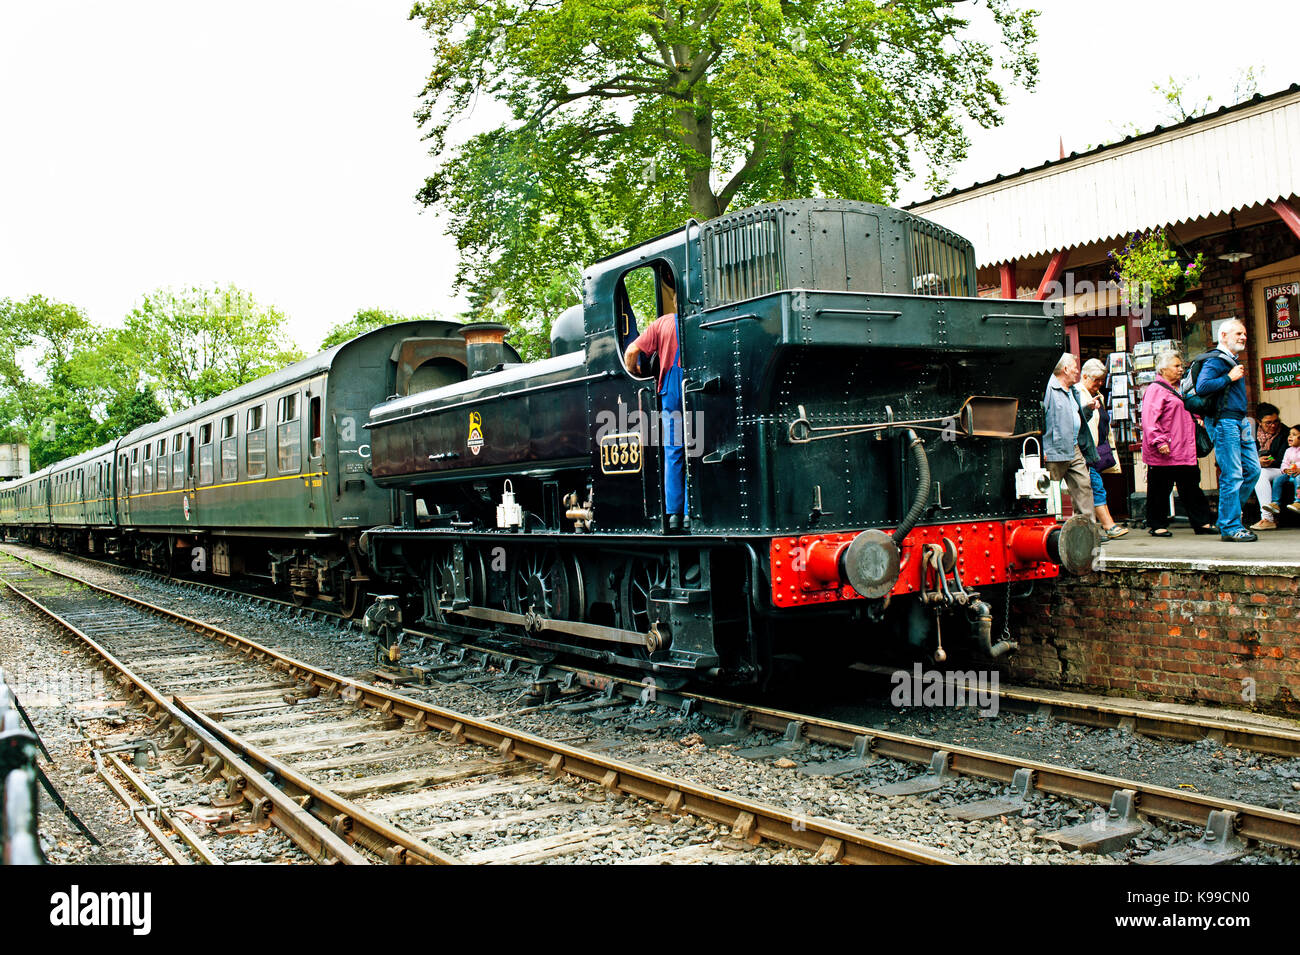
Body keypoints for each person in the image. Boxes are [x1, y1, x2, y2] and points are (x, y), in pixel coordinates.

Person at [623, 285, 687, 531]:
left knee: (674, 450)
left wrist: (634, 371)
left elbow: (631, 351)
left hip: (671, 387)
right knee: (697, 449)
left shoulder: (662, 324)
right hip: (693, 385)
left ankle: (674, 514)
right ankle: (693, 514)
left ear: (674, 298)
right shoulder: (699, 321)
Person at [1196, 318, 1261, 542]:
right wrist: (1229, 377)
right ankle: (1230, 526)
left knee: (1252, 470)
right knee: (1232, 474)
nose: (1243, 337)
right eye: (1238, 334)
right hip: (1225, 423)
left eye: (1244, 333)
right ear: (1223, 336)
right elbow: (1202, 386)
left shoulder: (1231, 359)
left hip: (1240, 421)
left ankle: (1231, 516)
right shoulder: (1217, 361)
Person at [1141, 351, 1216, 537]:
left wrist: (1197, 417)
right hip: (1165, 449)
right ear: (1163, 368)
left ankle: (1202, 524)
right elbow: (1150, 419)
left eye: (1181, 366)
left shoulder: (1179, 389)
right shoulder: (1156, 389)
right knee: (1159, 489)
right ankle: (1157, 525)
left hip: (1184, 449)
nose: (1181, 369)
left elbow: (1183, 410)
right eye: (1176, 366)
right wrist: (1159, 441)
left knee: (1191, 488)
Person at [1078, 359, 1129, 539]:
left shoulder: (1097, 395)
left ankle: (1088, 530)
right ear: (1084, 376)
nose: (1099, 384)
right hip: (1085, 453)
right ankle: (1108, 526)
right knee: (1096, 487)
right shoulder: (1079, 394)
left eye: (1102, 380)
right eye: (1096, 380)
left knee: (1088, 490)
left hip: (1097, 451)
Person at [1043, 353, 1095, 521]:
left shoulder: (1072, 391)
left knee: (1083, 487)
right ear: (1065, 369)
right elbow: (1039, 421)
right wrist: (1043, 448)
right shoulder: (1048, 389)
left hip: (1073, 446)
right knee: (1047, 492)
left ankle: (1087, 531)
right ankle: (1048, 529)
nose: (1078, 371)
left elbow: (1074, 418)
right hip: (1054, 449)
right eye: (1075, 367)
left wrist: (1087, 410)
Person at [1250, 402, 1289, 531]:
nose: (1273, 425)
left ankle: (1268, 518)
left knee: (1260, 473)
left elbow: (1282, 457)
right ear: (1259, 422)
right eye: (1268, 422)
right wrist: (1257, 461)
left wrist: (1269, 459)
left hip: (1281, 468)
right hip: (1258, 466)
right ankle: (1236, 517)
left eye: (1276, 421)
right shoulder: (1252, 434)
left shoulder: (1285, 433)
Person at [1262, 425, 1300, 518]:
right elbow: (1284, 463)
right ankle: (1275, 503)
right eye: (1289, 434)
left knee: (1299, 479)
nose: (1290, 437)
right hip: (1289, 474)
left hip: (1298, 475)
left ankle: (1298, 502)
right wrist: (1285, 469)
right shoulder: (1288, 450)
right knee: (1278, 479)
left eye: (1294, 435)